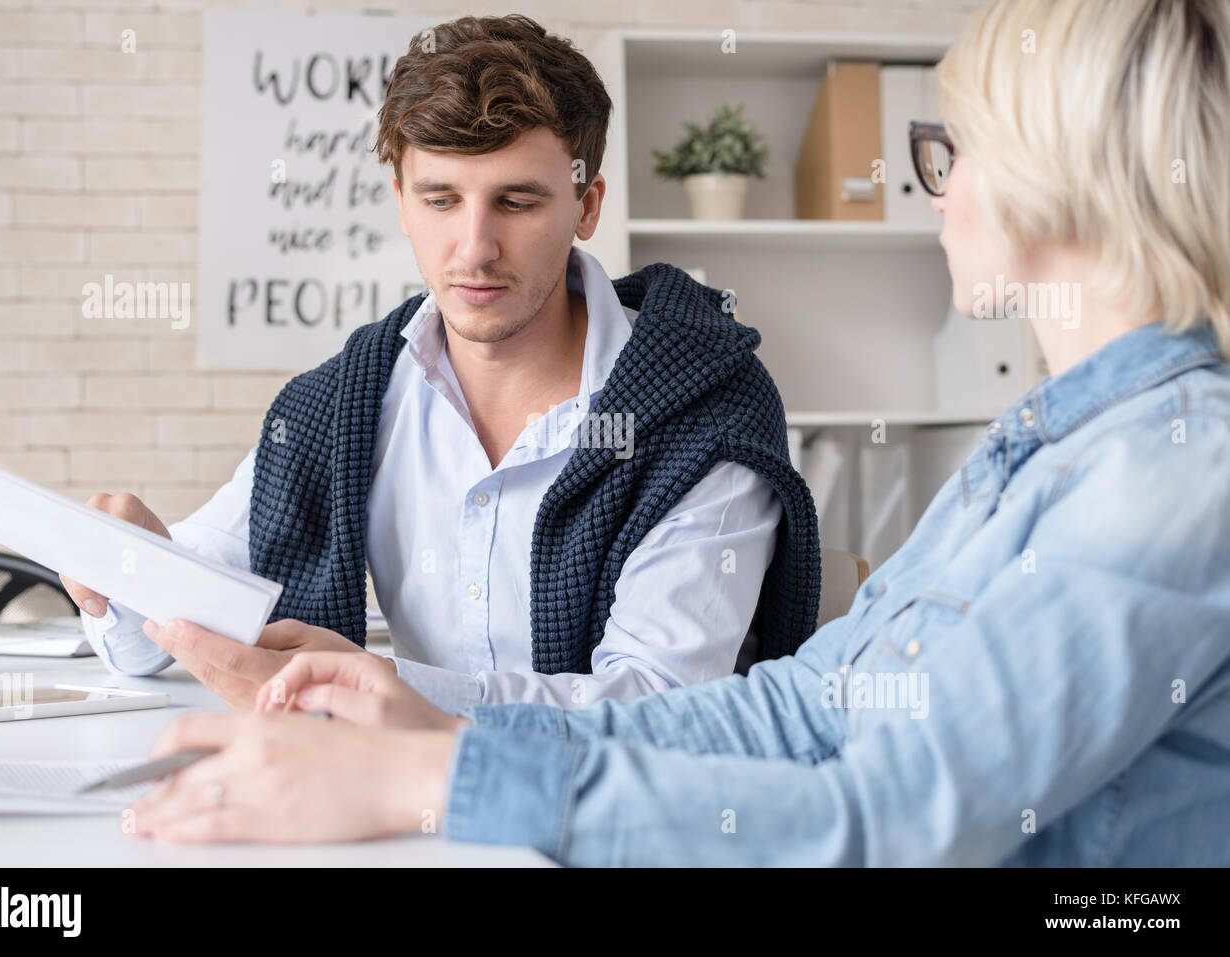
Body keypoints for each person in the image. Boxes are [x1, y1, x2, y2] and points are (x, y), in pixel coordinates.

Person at [125, 0, 1230, 865]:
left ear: (1057, 175)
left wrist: (425, 780)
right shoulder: (1039, 453)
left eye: (952, 152)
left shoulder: (1174, 473)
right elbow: (796, 713)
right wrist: (434, 737)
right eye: (439, 198)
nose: (933, 192)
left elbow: (893, 825)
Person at [59, 15, 820, 713]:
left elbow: (654, 705)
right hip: (408, 813)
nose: (474, 248)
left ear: (587, 205)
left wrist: (370, 683)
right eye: (441, 199)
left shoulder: (707, 411)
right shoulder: (343, 403)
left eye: (517, 203)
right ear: (400, 201)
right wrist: (126, 568)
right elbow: (148, 634)